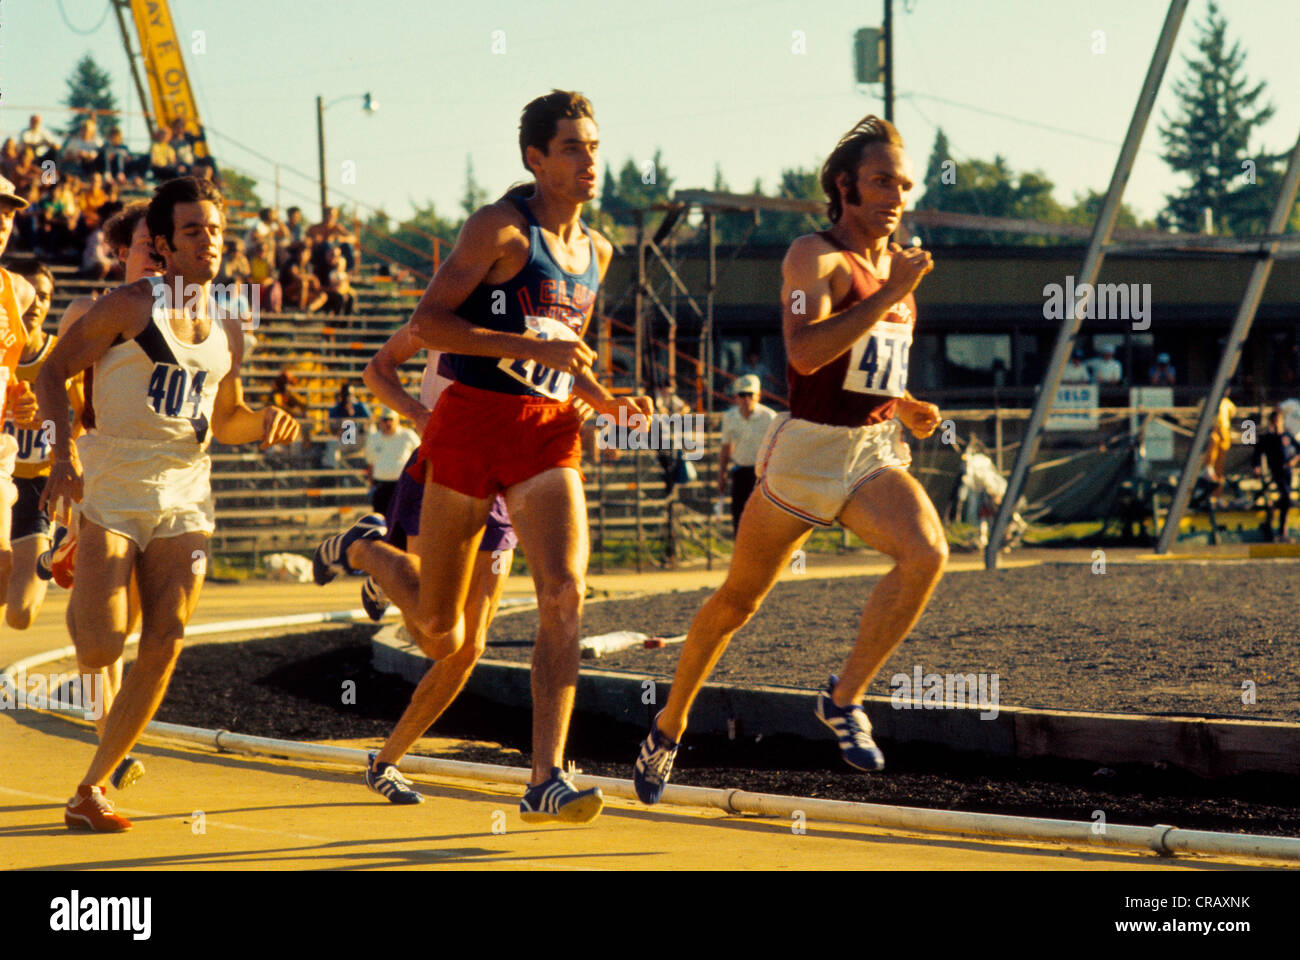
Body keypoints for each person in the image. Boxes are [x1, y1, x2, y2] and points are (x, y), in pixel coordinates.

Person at [318, 90, 652, 822]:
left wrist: (605, 400)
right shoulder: (499, 229)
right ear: (535, 158)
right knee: (441, 633)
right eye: (572, 147)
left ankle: (545, 777)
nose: (589, 160)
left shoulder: (597, 251)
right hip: (468, 429)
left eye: (594, 146)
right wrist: (526, 346)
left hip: (545, 432)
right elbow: (427, 323)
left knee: (564, 594)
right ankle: (366, 550)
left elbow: (564, 354)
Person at [632, 115, 948, 803]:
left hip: (868, 449)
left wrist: (907, 402)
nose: (896, 196)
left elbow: (866, 368)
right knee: (737, 601)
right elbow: (805, 354)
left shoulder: (896, 270)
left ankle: (843, 698)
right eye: (881, 182)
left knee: (927, 553)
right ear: (844, 187)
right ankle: (670, 724)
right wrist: (892, 293)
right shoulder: (814, 256)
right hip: (805, 453)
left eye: (905, 184)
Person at [37, 176, 300, 832]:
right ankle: (82, 561)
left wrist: (263, 421)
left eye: (215, 229)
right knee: (101, 646)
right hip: (114, 486)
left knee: (168, 636)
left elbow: (229, 417)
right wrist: (64, 453)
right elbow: (49, 371)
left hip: (185, 491)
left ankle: (91, 786)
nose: (209, 241)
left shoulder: (231, 327)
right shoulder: (128, 306)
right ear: (163, 244)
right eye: (193, 231)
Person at [313, 324, 522, 804]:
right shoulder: (449, 306)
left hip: (505, 482)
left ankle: (386, 761)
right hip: (444, 473)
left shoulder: (545, 307)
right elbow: (377, 368)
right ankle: (366, 550)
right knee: (436, 636)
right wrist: (415, 412)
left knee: (468, 647)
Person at [1, 262, 73, 631]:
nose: (33, 305)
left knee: (20, 614)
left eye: (42, 296)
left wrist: (48, 422)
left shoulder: (61, 361)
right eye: (26, 294)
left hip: (34, 492)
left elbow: (86, 422)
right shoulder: (1, 354)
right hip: (1, 482)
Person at [0, 200, 44, 631]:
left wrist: (17, 396)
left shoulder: (17, 291)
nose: (1, 220)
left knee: (2, 573)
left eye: (8, 213)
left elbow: (7, 369)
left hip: (2, 458)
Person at [718, 374, 776, 535]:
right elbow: (725, 447)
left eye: (750, 394)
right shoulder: (730, 417)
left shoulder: (769, 417)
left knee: (762, 518)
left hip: (762, 474)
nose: (746, 399)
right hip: (740, 471)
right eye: (742, 395)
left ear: (758, 396)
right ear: (736, 397)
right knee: (739, 516)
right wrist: (721, 474)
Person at [1253, 408, 1299, 543]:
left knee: (1285, 499)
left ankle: (1272, 522)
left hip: (1288, 472)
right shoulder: (1267, 437)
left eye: (1278, 421)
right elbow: (1257, 454)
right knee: (1285, 497)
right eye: (1274, 421)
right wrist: (1256, 467)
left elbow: (1298, 450)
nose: (1277, 424)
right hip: (1275, 472)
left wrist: (1294, 460)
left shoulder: (1287, 436)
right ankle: (1281, 530)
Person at [363, 412, 419, 516]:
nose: (388, 423)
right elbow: (370, 464)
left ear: (397, 421)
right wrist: (372, 484)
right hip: (381, 486)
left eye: (390, 419)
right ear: (380, 421)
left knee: (402, 518)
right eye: (385, 420)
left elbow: (420, 455)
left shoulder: (408, 435)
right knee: (381, 519)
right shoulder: (374, 438)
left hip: (402, 485)